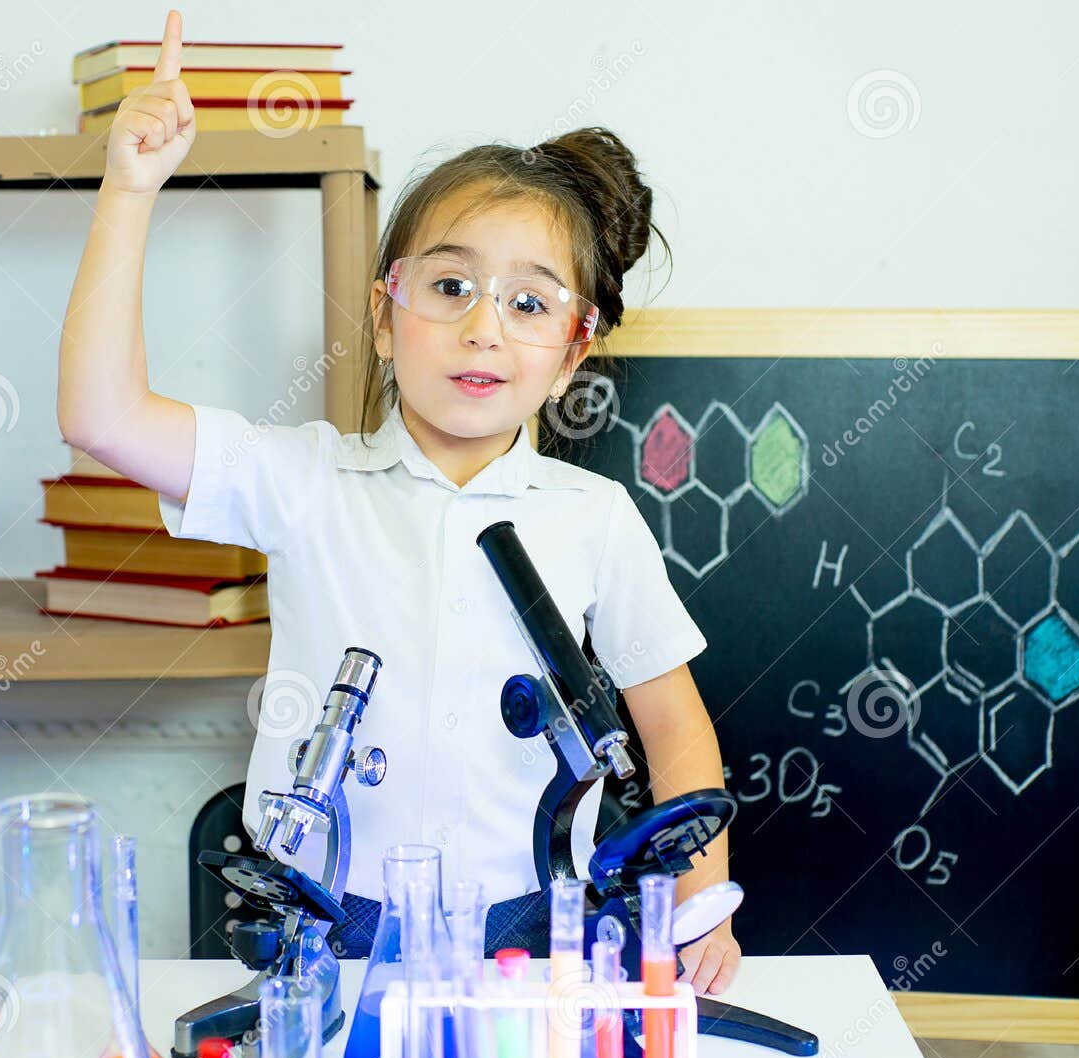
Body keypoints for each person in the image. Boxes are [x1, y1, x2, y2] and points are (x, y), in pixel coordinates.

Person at [58, 9, 739, 995]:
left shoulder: (591, 516)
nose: (482, 327)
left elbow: (671, 721)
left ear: (570, 356)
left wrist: (696, 891)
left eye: (529, 302)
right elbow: (101, 413)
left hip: (532, 941)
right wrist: (129, 188)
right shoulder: (300, 476)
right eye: (450, 284)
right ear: (384, 317)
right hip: (325, 934)